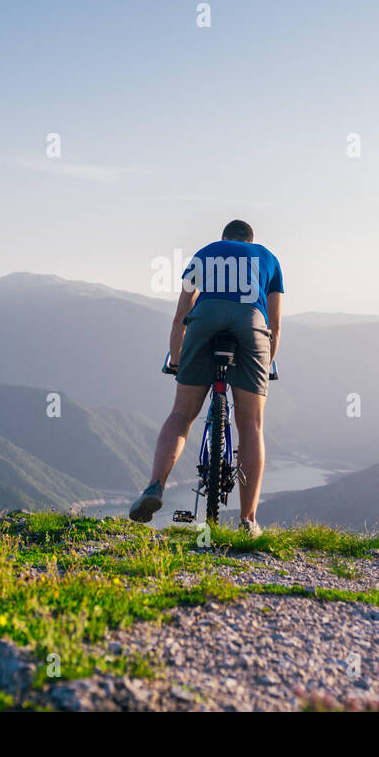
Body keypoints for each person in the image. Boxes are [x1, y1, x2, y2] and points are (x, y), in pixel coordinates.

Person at [129, 219, 283, 535]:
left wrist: (175, 360)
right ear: (250, 240)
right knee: (251, 425)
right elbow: (276, 326)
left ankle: (155, 486)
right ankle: (248, 520)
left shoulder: (207, 252)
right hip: (251, 323)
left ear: (223, 238)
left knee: (182, 414)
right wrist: (266, 366)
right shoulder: (267, 258)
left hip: (205, 317)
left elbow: (180, 317)